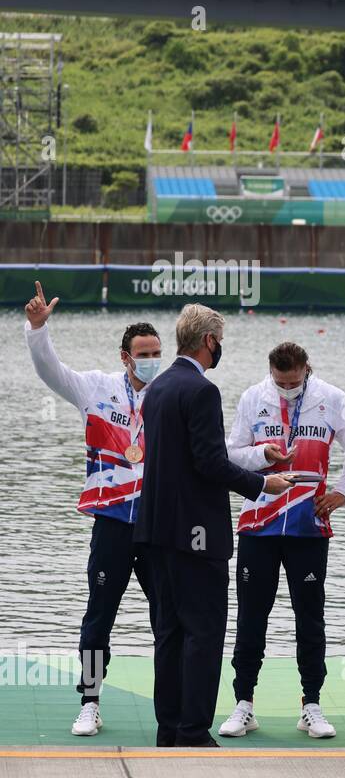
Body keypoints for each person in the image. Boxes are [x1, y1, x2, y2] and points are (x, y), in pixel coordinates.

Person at [133, 304, 291, 747]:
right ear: (208, 341)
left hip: (156, 531)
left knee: (169, 633)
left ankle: (169, 728)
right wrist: (262, 484)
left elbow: (184, 458)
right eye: (219, 340)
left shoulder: (158, 386)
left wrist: (257, 462)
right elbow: (208, 462)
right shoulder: (202, 391)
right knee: (202, 633)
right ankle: (194, 729)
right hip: (196, 535)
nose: (220, 348)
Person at [24, 281, 163, 736]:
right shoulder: (95, 389)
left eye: (156, 351)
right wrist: (38, 330)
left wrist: (258, 460)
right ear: (125, 356)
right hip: (112, 522)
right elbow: (51, 372)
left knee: (168, 614)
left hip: (157, 524)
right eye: (143, 352)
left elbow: (209, 450)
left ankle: (174, 702)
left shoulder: (171, 394)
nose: (151, 360)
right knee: (100, 612)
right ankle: (89, 701)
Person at [217, 342, 345, 739]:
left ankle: (311, 705)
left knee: (310, 618)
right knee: (251, 618)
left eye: (294, 382)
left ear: (306, 371)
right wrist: (262, 454)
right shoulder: (253, 397)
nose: (287, 389)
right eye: (281, 383)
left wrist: (343, 494)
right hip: (258, 525)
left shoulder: (332, 398)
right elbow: (229, 455)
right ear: (271, 373)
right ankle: (243, 704)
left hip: (308, 526)